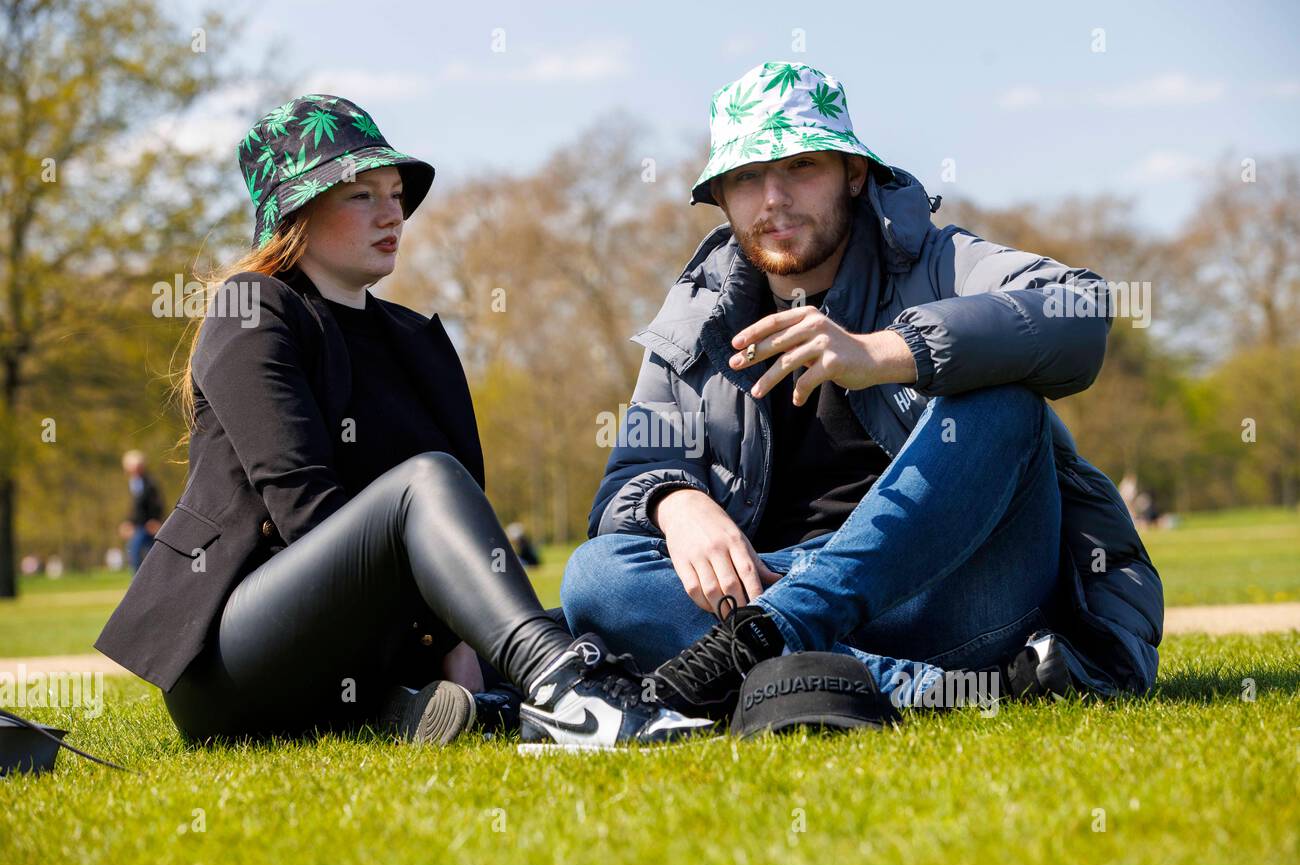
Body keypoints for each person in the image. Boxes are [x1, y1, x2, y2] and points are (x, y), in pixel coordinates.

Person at [93, 94, 711, 750]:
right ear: (295, 212)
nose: (392, 214)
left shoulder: (416, 340)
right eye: (362, 196)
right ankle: (566, 696)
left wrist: (469, 634)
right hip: (239, 658)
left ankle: (487, 704)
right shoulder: (253, 308)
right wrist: (447, 636)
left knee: (598, 620)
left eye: (395, 195)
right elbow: (307, 512)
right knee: (427, 484)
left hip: (367, 650)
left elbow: (463, 532)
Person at [561, 62, 1163, 720]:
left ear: (854, 173)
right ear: (722, 197)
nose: (772, 198)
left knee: (1005, 403)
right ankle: (899, 684)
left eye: (801, 167)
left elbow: (1080, 309)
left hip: (952, 590)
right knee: (595, 576)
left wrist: (887, 352)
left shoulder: (936, 261)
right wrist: (674, 501)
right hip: (771, 587)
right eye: (747, 177)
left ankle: (771, 643)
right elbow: (628, 482)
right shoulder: (694, 316)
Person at [117, 449, 164, 574]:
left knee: (143, 554)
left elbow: (157, 504)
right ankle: (142, 581)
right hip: (137, 526)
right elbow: (132, 507)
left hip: (148, 525)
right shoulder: (130, 483)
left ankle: (147, 581)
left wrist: (156, 520)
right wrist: (127, 522)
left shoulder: (150, 483)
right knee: (137, 555)